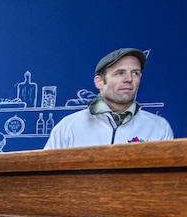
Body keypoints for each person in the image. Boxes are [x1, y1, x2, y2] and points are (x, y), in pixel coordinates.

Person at [44, 48, 174, 149]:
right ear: (99, 82)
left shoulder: (159, 128)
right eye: (120, 73)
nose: (129, 79)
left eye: (135, 73)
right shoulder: (69, 127)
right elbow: (46, 177)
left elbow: (167, 180)